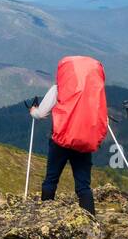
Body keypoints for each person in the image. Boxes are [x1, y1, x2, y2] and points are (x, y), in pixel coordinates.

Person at [29, 56, 107, 215]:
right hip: (84, 142)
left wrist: (33, 111)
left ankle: (44, 216)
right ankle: (90, 220)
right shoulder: (95, 93)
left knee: (51, 179)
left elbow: (40, 113)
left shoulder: (58, 88)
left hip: (61, 140)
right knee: (83, 185)